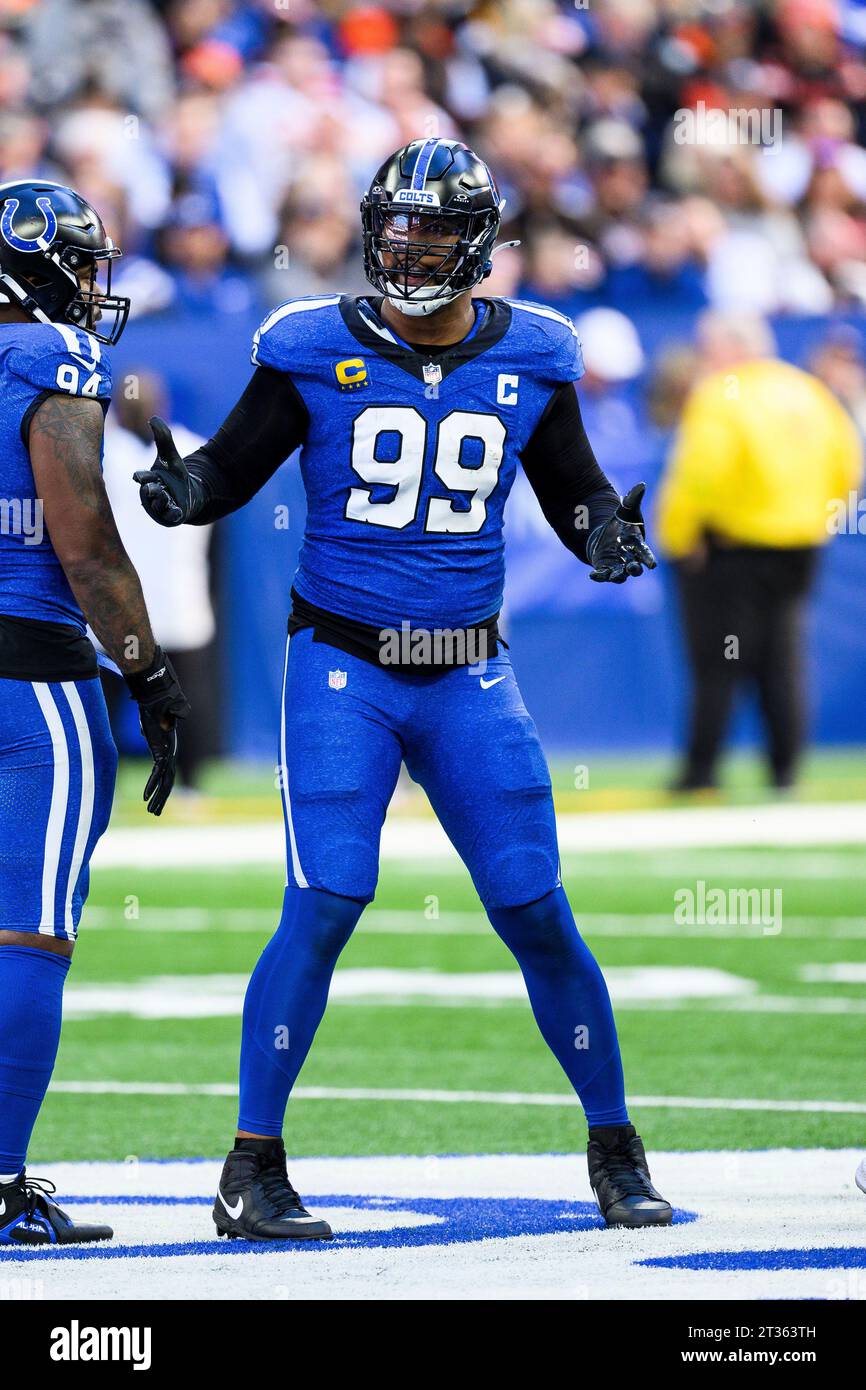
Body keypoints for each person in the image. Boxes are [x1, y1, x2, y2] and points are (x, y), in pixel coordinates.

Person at [136, 138, 670, 1240]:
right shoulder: (309, 345)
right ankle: (252, 1165)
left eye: (428, 228)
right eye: (392, 226)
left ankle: (615, 1149)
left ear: (474, 240)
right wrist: (182, 491)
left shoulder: (533, 351)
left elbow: (572, 497)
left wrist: (604, 533)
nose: (405, 244)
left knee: (533, 907)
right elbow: (226, 472)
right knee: (325, 900)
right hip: (342, 663)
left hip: (468, 668)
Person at [0, 180, 189, 1244]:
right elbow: (82, 541)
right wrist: (149, 675)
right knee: (28, 934)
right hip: (28, 680)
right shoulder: (49, 358)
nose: (85, 285)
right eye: (75, 263)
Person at [657, 309, 863, 791]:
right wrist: (819, 520)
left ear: (731, 347)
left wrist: (682, 536)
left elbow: (703, 473)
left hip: (729, 548)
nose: (704, 358)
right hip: (799, 545)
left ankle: (701, 771)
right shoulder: (810, 391)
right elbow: (849, 463)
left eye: (709, 347)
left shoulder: (722, 396)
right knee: (783, 659)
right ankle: (785, 770)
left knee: (718, 662)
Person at [102, 374, 217, 788]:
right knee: (115, 697)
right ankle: (189, 786)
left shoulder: (109, 455)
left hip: (150, 599)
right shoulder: (188, 448)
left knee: (185, 699)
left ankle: (189, 783)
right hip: (141, 598)